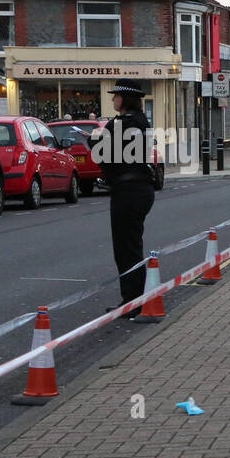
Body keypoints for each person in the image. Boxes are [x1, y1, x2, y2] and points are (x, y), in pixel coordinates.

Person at [89, 79, 155, 319]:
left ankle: (133, 301)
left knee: (126, 248)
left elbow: (105, 155)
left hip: (128, 191)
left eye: (116, 95)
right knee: (132, 245)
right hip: (139, 188)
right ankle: (135, 298)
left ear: (125, 98)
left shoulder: (121, 123)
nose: (113, 99)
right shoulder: (139, 121)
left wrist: (93, 140)